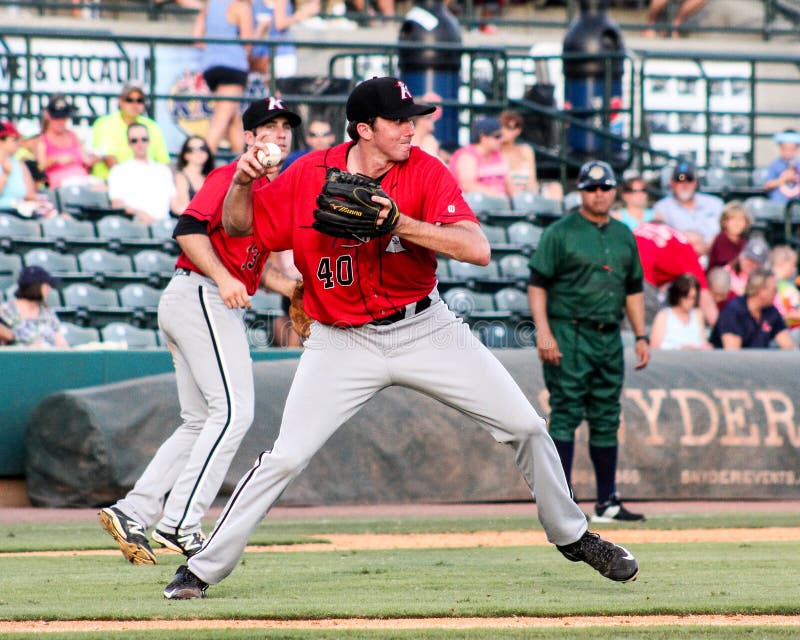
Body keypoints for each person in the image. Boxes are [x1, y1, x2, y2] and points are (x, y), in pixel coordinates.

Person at [163, 76, 639, 599]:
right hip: (339, 340)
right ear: (364, 128)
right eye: (399, 120)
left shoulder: (426, 171)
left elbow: (476, 249)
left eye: (414, 118)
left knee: (525, 425)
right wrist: (240, 184)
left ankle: (573, 537)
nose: (412, 128)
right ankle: (202, 569)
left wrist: (399, 223)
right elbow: (236, 228)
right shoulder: (308, 174)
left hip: (424, 328)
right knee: (286, 456)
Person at [99, 97, 302, 566]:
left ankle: (134, 510)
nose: (279, 134)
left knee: (199, 420)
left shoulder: (271, 193)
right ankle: (181, 522)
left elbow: (259, 270)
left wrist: (292, 290)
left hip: (199, 298)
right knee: (233, 414)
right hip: (202, 294)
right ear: (248, 137)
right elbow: (188, 230)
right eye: (267, 126)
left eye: (285, 126)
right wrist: (226, 278)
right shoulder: (228, 176)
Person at [529, 160, 649, 524]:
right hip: (570, 331)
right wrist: (544, 331)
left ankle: (607, 501)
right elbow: (537, 283)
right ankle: (563, 502)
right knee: (565, 413)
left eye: (605, 187)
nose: (599, 193)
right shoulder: (561, 231)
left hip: (609, 334)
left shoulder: (623, 233)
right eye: (591, 188)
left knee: (606, 415)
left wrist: (641, 334)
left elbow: (633, 289)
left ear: (615, 191)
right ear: (580, 191)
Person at [193, 0, 254, 154]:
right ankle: (199, 167)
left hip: (210, 66)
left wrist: (214, 49)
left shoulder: (209, 6)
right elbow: (248, 41)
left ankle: (239, 166)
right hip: (233, 67)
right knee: (220, 122)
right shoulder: (241, 6)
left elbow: (196, 38)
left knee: (233, 119)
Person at [633, 220, 718, 327]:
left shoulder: (654, 228)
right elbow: (704, 296)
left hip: (615, 262)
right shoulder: (686, 248)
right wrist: (719, 332)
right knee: (648, 326)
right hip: (639, 274)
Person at [90, 83, 171, 182]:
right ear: (120, 101)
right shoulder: (105, 123)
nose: (135, 105)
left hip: (148, 182)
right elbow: (110, 159)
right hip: (111, 183)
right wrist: (132, 184)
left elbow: (163, 162)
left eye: (139, 100)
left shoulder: (152, 126)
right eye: (129, 100)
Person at [108, 123, 177, 224]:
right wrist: (139, 213)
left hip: (165, 225)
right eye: (134, 140)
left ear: (149, 141)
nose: (140, 144)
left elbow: (174, 203)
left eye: (144, 139)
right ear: (129, 144)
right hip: (136, 224)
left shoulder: (163, 170)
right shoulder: (119, 170)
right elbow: (117, 203)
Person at [710, 268, 794, 350]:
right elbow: (733, 354)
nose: (776, 293)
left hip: (758, 361)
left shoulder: (771, 311)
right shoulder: (733, 311)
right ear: (761, 291)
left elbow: (789, 347)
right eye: (774, 290)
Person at [653, 161, 723, 256]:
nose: (685, 184)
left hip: (714, 257)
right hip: (681, 258)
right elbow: (661, 237)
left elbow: (726, 229)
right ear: (672, 183)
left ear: (695, 182)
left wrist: (713, 243)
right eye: (680, 180)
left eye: (689, 180)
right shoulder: (662, 207)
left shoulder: (715, 203)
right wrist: (688, 240)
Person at [36, 95, 99, 189]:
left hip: (81, 178)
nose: (60, 122)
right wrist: (55, 160)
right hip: (59, 184)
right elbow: (39, 168)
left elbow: (84, 158)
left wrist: (91, 159)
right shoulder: (42, 141)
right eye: (56, 118)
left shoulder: (73, 136)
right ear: (48, 116)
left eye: (63, 118)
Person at [249, 0, 321, 81]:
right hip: (276, 54)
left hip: (264, 54)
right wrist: (304, 13)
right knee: (278, 90)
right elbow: (280, 24)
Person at [0, 266, 68, 348]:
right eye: (46, 285)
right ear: (36, 286)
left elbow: (60, 342)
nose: (49, 288)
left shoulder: (47, 313)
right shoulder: (6, 311)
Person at [448, 116, 512, 200]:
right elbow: (467, 185)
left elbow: (509, 184)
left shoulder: (498, 154)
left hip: (499, 206)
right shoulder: (467, 156)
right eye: (497, 136)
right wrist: (494, 195)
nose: (501, 140)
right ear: (483, 137)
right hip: (474, 206)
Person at [650, 273, 710, 350]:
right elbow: (654, 346)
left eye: (693, 298)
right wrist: (680, 349)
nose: (690, 301)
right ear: (678, 295)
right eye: (687, 297)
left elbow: (704, 343)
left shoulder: (698, 315)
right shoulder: (664, 315)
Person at [172, 136, 216, 216]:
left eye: (202, 148)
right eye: (191, 149)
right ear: (185, 155)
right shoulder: (180, 176)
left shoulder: (209, 177)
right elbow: (185, 206)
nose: (197, 152)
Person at [498, 109, 538, 196]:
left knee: (555, 187)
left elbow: (532, 182)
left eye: (508, 127)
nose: (503, 131)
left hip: (526, 197)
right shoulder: (494, 152)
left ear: (518, 131)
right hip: (504, 197)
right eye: (501, 126)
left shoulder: (526, 150)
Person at [0, 120, 36, 213]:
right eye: (14, 139)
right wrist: (5, 175)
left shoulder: (19, 163)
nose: (18, 143)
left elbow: (31, 195)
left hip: (20, 212)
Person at [706, 200, 751, 272]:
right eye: (733, 219)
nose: (737, 223)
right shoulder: (721, 238)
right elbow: (725, 264)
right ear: (724, 222)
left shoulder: (744, 241)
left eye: (741, 219)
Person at [768, 245, 800, 332]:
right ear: (783, 262)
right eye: (792, 265)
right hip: (782, 331)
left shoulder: (787, 284)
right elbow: (785, 314)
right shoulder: (771, 284)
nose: (794, 269)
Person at [763, 129, 800, 204]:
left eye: (792, 149)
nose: (788, 152)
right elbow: (767, 185)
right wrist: (784, 179)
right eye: (785, 149)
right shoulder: (775, 164)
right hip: (779, 202)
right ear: (780, 147)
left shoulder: (798, 164)